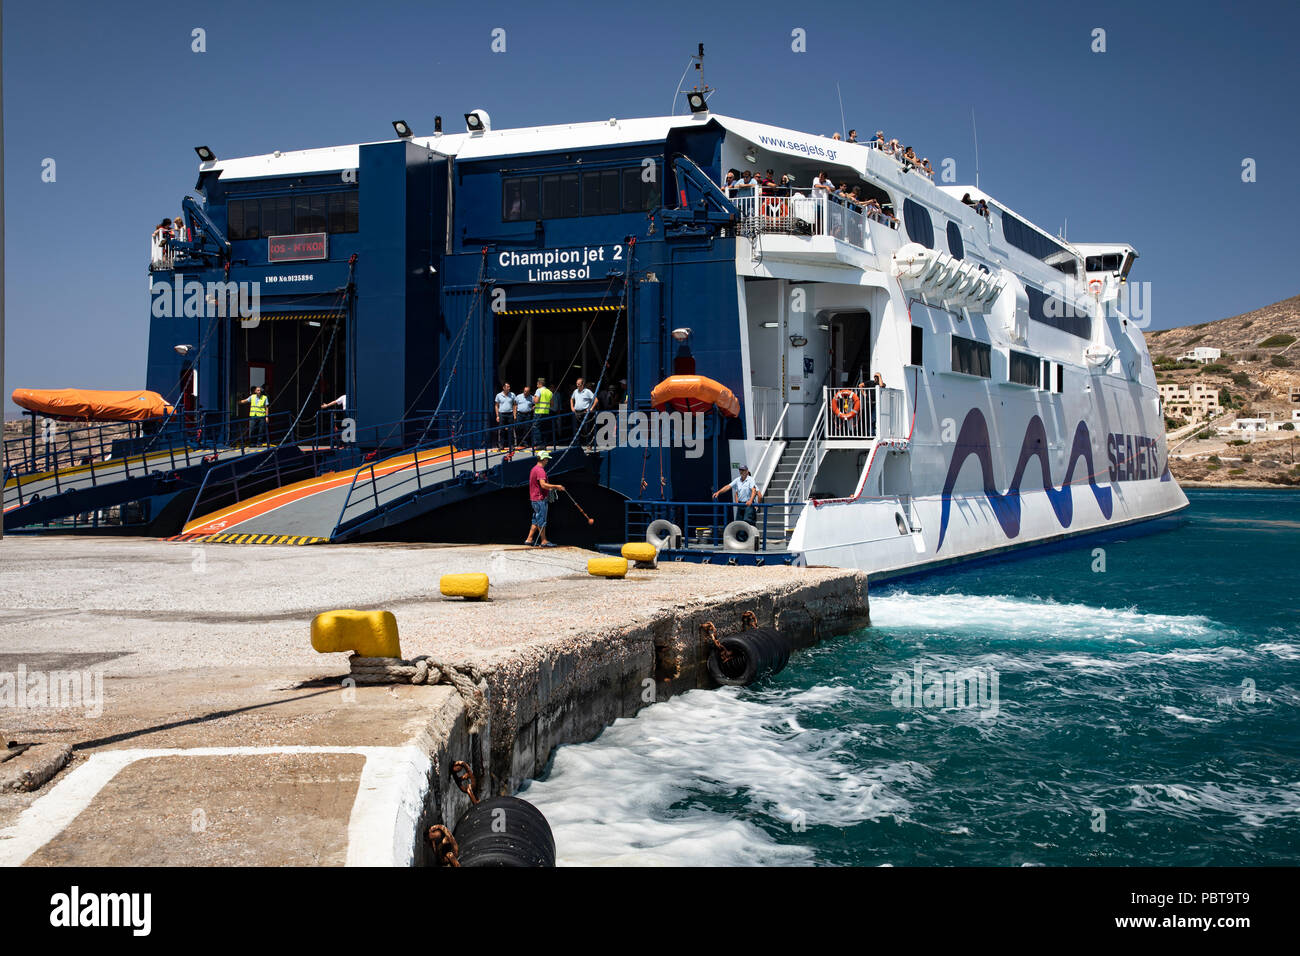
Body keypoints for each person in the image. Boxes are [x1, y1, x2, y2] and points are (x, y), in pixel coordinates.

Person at [525, 450, 564, 547]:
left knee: (536, 519)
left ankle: (529, 539)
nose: (547, 461)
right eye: (546, 459)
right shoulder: (540, 470)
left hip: (534, 499)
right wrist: (557, 486)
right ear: (543, 459)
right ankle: (544, 541)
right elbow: (543, 485)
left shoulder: (534, 469)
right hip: (540, 499)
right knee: (542, 519)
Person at [571, 377, 597, 448]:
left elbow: (596, 400)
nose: (577, 385)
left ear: (582, 384)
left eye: (578, 384)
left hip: (585, 412)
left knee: (587, 429)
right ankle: (577, 445)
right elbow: (571, 399)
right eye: (576, 383)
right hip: (577, 412)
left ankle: (589, 444)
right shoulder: (575, 391)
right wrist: (572, 407)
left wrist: (591, 408)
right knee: (576, 429)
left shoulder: (587, 391)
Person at [494, 381, 517, 451]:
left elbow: (515, 405)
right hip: (502, 414)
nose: (509, 388)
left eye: (509, 387)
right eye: (507, 387)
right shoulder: (498, 395)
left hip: (510, 414)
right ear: (503, 387)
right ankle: (501, 445)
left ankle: (512, 445)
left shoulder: (512, 395)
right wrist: (497, 416)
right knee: (501, 430)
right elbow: (496, 406)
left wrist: (514, 414)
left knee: (511, 430)